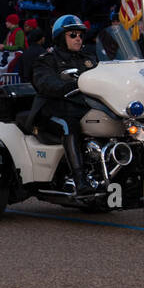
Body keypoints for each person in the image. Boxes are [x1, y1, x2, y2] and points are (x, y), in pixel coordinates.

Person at [32, 15, 100, 195]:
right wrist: (68, 85)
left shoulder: (89, 58)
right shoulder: (47, 59)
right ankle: (80, 180)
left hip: (82, 108)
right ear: (62, 37)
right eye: (72, 34)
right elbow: (44, 82)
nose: (78, 38)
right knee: (69, 126)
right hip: (52, 111)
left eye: (80, 34)